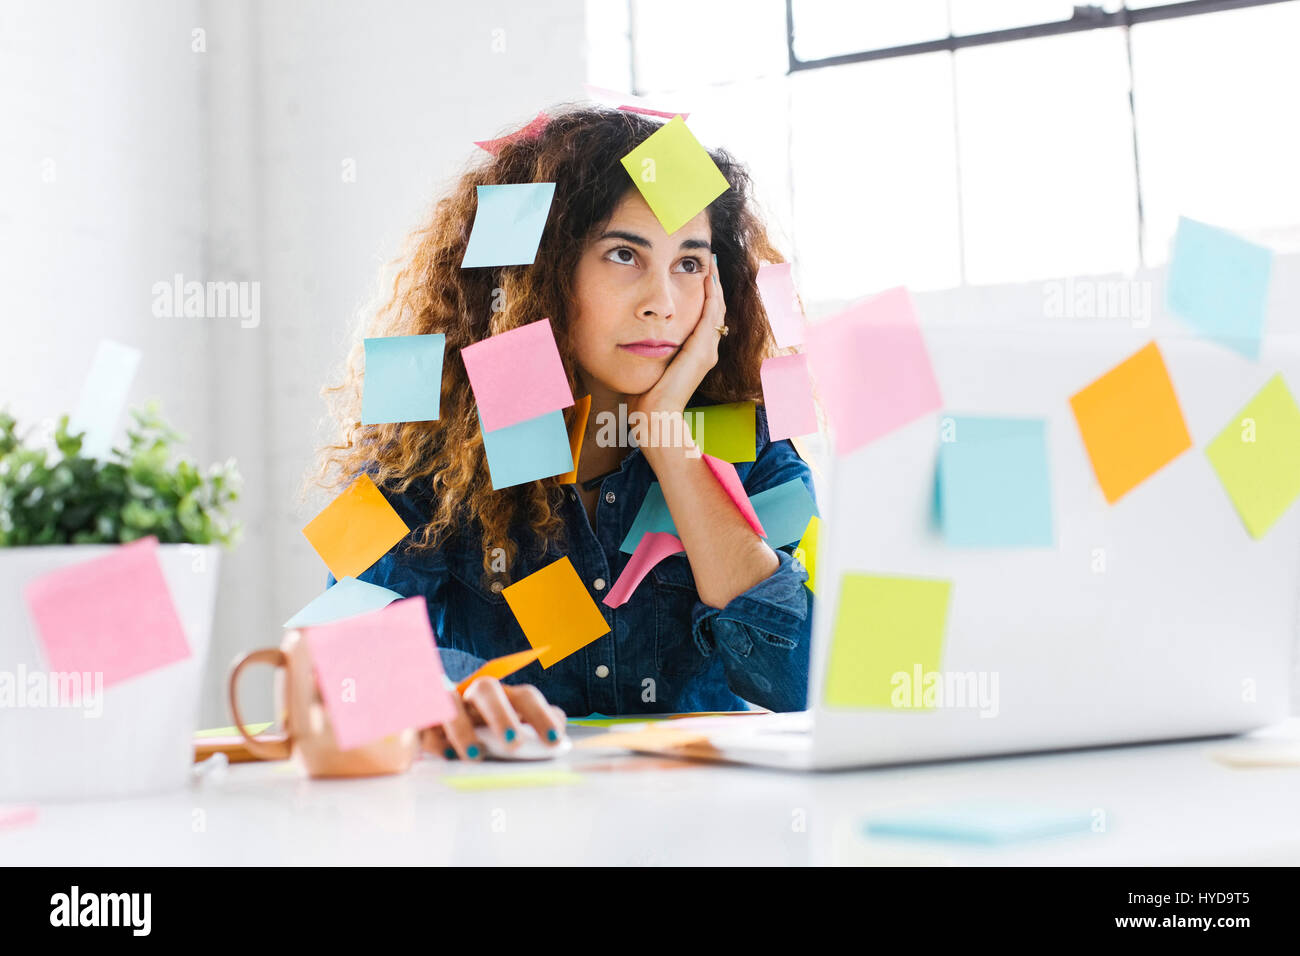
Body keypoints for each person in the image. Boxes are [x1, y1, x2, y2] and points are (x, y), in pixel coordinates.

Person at [312, 104, 815, 760]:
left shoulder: (749, 440)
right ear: (539, 271)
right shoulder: (423, 443)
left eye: (690, 263)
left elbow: (808, 681)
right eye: (624, 254)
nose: (662, 299)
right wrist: (443, 697)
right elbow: (339, 658)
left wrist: (670, 442)